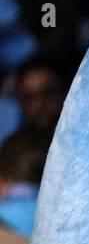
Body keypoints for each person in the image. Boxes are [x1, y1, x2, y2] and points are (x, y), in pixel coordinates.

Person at [0, 56, 67, 192]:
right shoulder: (12, 150)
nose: (40, 104)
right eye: (29, 97)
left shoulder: (81, 144)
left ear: (65, 92)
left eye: (48, 93)